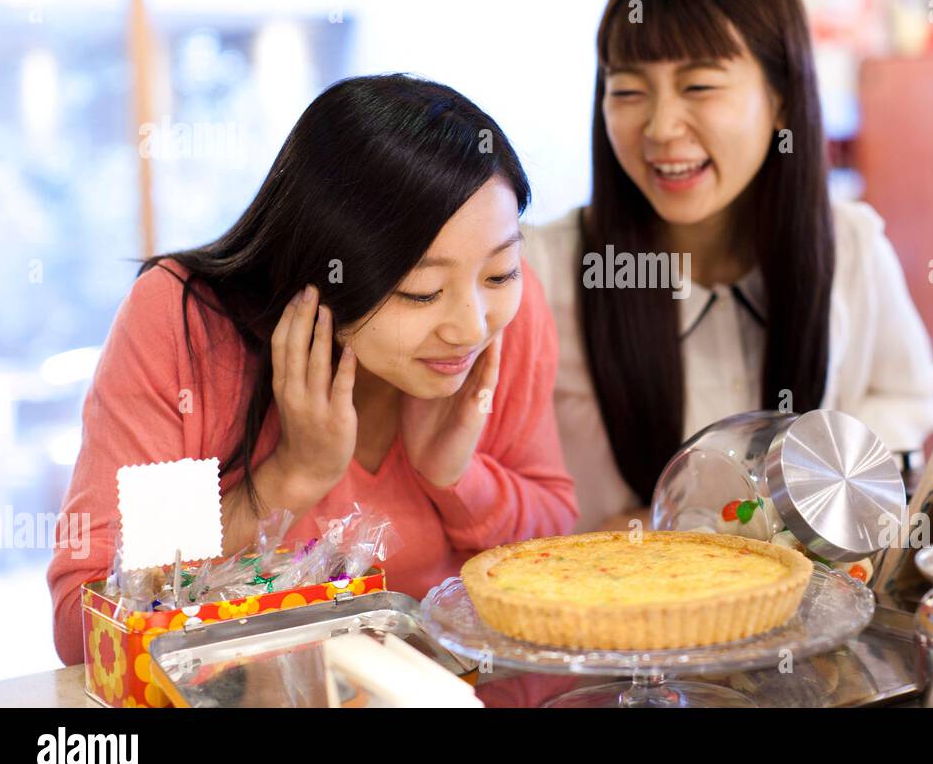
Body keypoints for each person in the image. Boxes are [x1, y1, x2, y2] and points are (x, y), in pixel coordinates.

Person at [48, 74, 577, 665]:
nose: (471, 326)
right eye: (423, 292)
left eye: (500, 274)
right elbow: (88, 623)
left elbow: (562, 564)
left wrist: (456, 475)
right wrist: (290, 477)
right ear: (325, 273)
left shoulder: (508, 324)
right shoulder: (187, 328)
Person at [525, 0, 933, 532]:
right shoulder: (543, 271)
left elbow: (906, 397)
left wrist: (818, 487)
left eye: (699, 86)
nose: (662, 126)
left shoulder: (849, 243)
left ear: (780, 99)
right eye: (627, 90)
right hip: (607, 610)